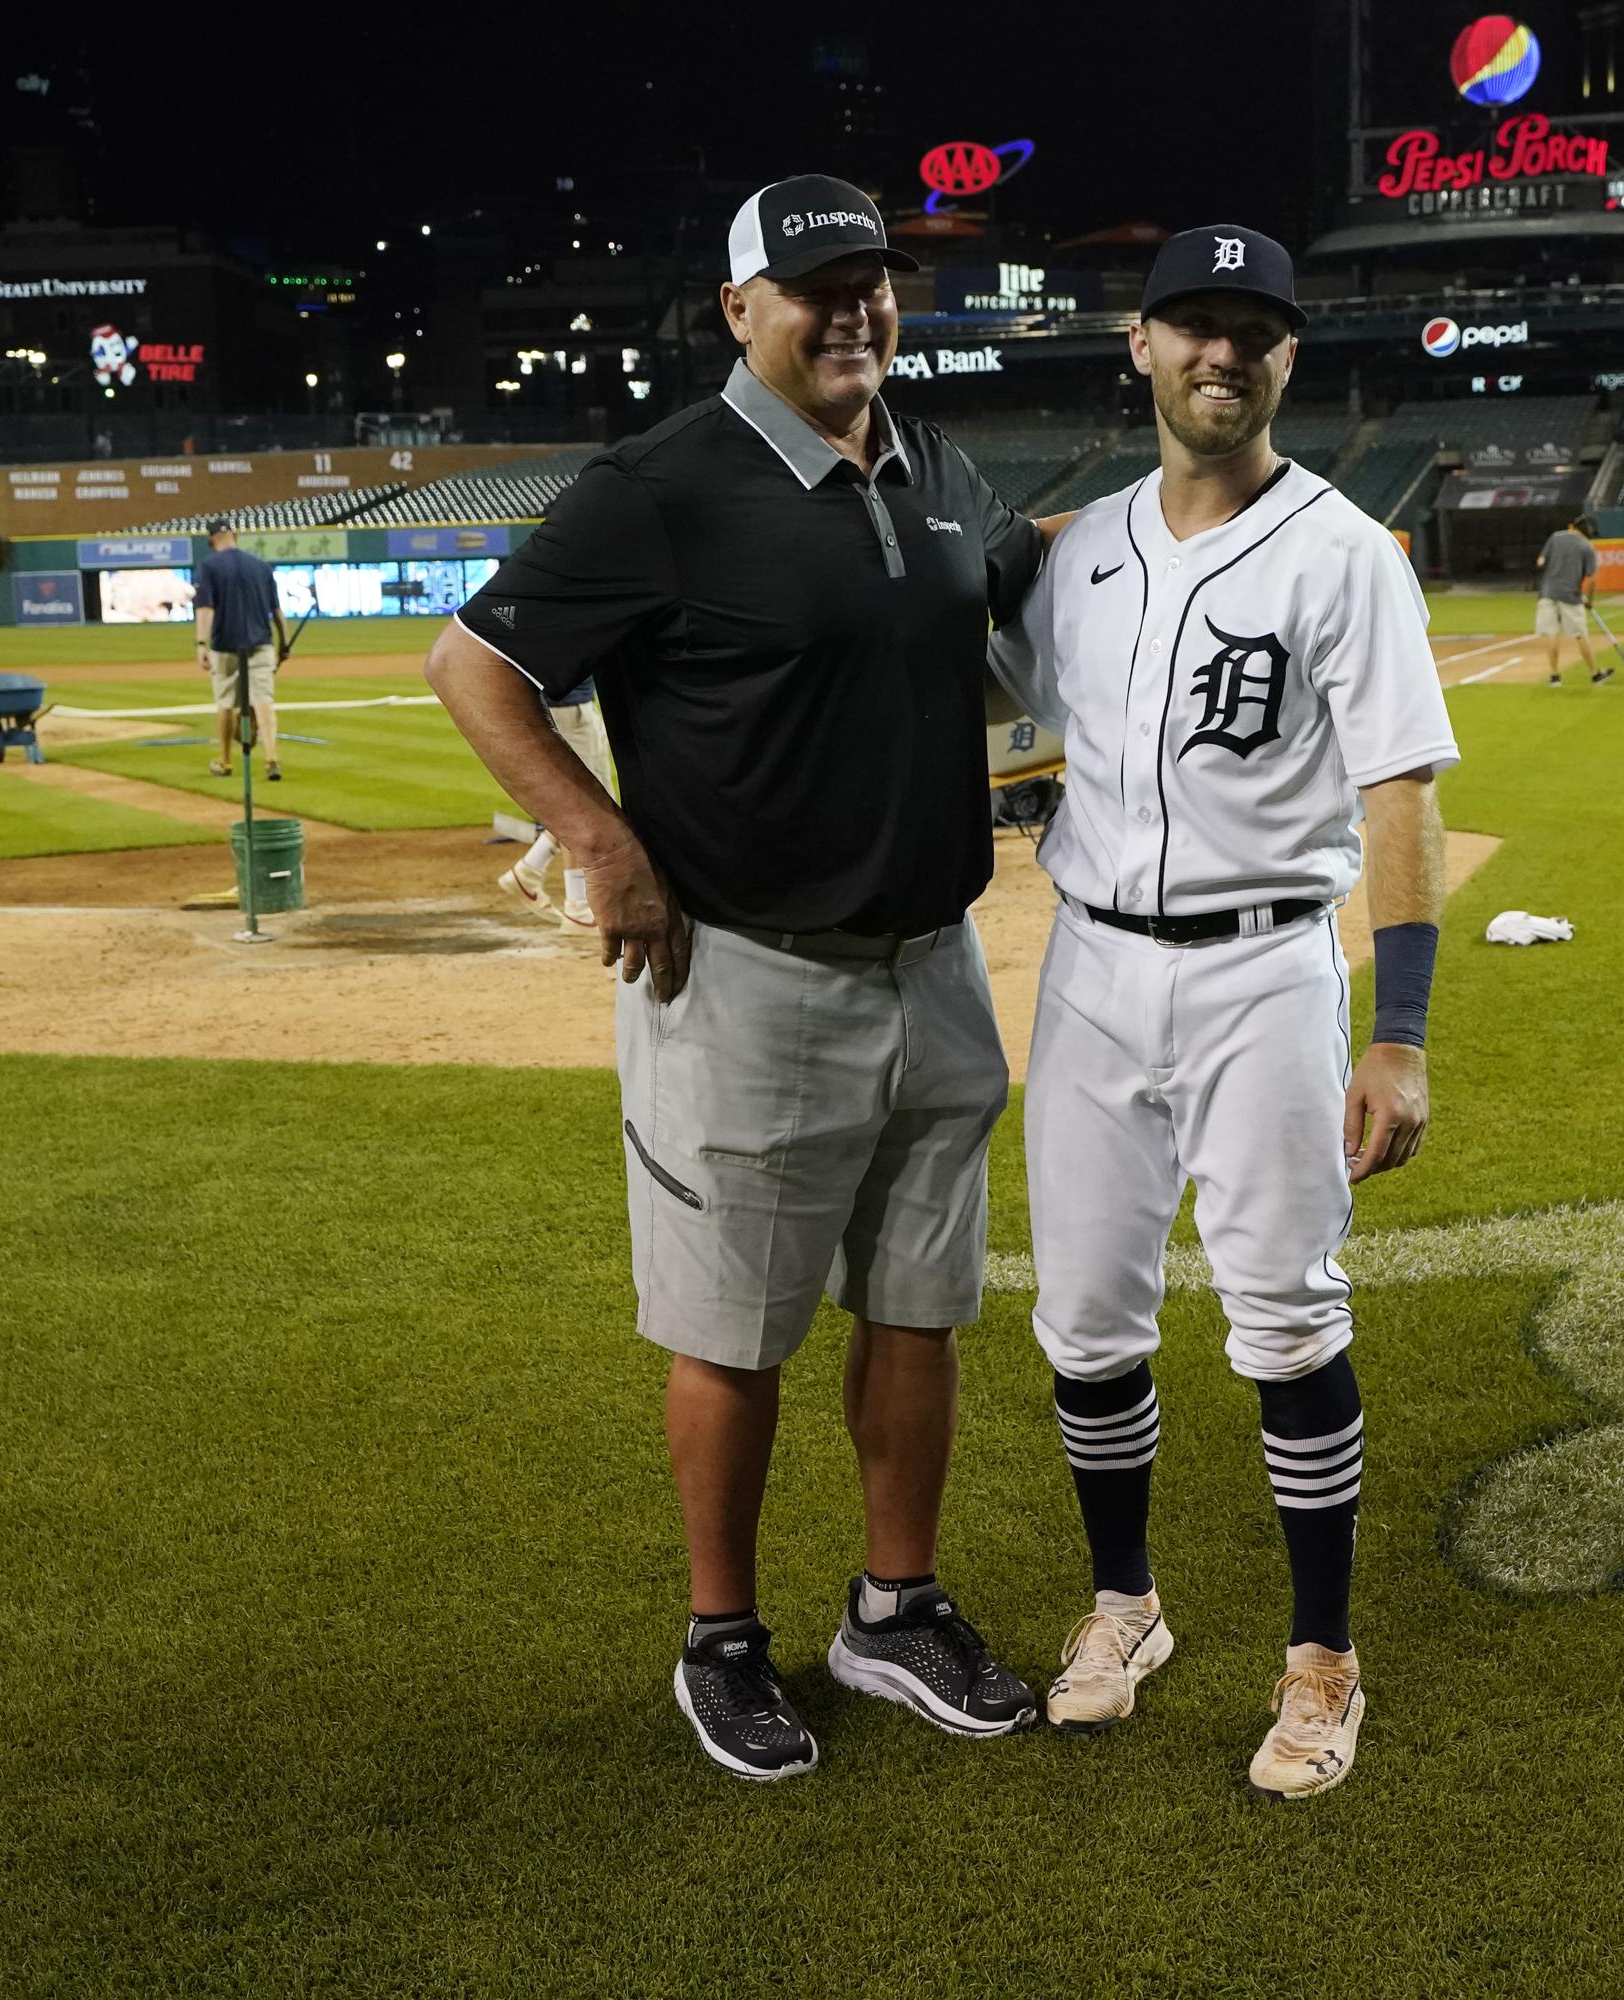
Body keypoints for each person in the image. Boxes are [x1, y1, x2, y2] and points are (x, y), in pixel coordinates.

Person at [423, 174, 1052, 1782]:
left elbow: (985, 647)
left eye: (875, 285)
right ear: (739, 312)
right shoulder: (661, 484)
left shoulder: (931, 466)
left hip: (935, 964)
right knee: (734, 1332)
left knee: (921, 1311)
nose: (854, 312)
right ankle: (722, 1641)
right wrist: (601, 843)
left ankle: (893, 1610)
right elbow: (472, 663)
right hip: (749, 973)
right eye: (816, 288)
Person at [989, 224, 1460, 1801]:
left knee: (1289, 1320)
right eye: (1193, 323)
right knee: (1088, 1324)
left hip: (1267, 973)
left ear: (1286, 359)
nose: (1221, 352)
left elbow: (1400, 788)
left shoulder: (1345, 553)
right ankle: (1125, 1605)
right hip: (1091, 970)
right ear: (1140, 346)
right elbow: (985, 713)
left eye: (1252, 328)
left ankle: (1322, 1658)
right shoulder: (1076, 553)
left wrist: (1398, 1027)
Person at [492, 677, 617, 927]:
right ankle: (575, 905)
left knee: (581, 804)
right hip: (571, 711)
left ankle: (537, 877)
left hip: (556, 708)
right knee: (590, 806)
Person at [192, 520, 284, 782]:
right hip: (261, 643)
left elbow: (206, 609)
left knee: (226, 703)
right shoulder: (260, 565)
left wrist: (201, 643)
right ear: (236, 535)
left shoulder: (208, 567)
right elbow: (276, 612)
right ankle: (271, 759)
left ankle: (225, 761)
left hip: (225, 645)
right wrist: (284, 644)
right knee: (264, 700)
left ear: (212, 541)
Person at [1535, 510, 1608, 685]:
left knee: (1552, 633)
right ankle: (1595, 674)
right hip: (1570, 594)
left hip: (1547, 592)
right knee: (1580, 634)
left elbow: (1540, 562)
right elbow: (1591, 579)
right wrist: (1590, 600)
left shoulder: (1555, 537)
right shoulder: (1586, 547)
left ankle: (1554, 676)